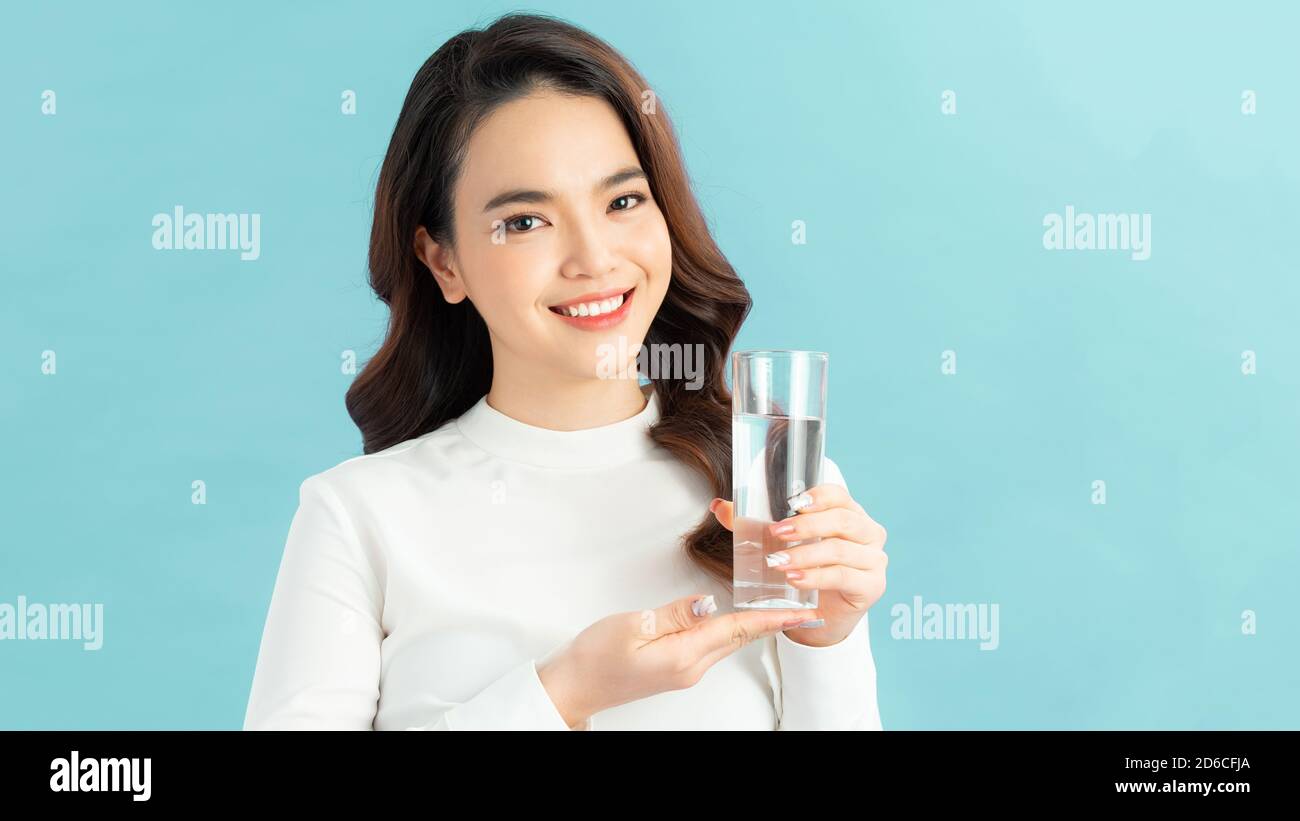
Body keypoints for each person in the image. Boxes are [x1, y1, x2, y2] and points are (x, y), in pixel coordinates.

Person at [243, 12, 889, 730]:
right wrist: (561, 693)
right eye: (524, 221)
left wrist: (824, 641)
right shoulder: (357, 517)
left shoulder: (775, 489)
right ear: (443, 261)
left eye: (622, 201)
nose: (593, 259)